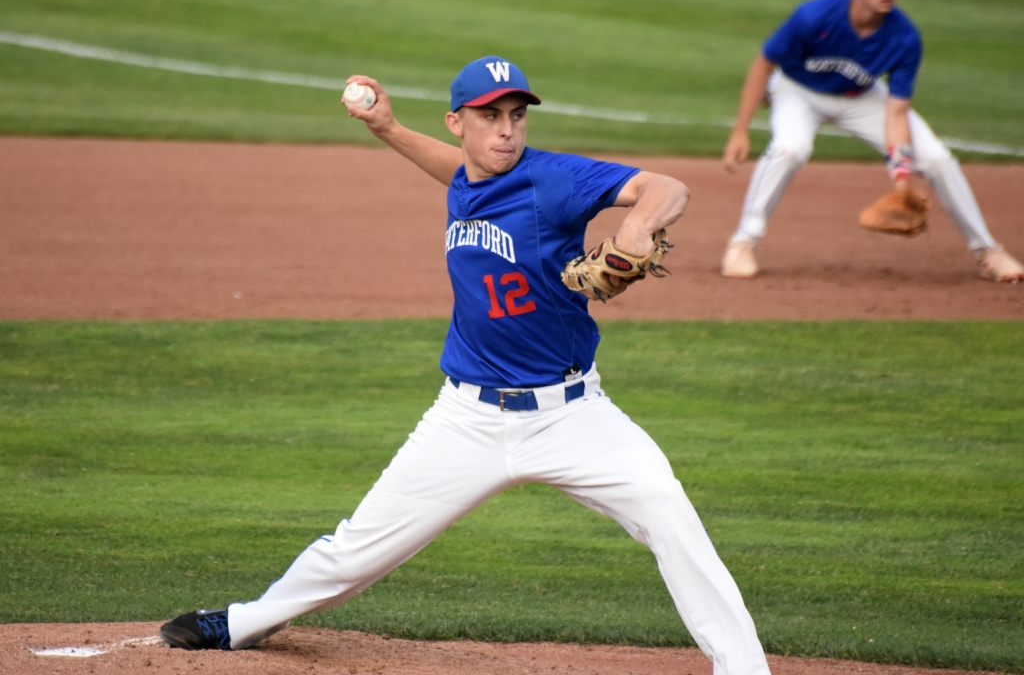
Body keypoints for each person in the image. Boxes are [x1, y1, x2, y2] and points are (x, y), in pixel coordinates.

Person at [159, 56, 773, 675]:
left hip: (573, 417)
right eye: (489, 117)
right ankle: (245, 623)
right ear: (458, 123)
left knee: (668, 511)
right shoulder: (467, 178)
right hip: (466, 419)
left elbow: (670, 189)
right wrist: (388, 130)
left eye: (515, 116)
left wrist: (638, 223)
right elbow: (454, 171)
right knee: (359, 547)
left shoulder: (553, 180)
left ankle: (744, 669)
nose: (506, 130)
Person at [721, 0, 1024, 283]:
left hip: (860, 97)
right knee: (791, 148)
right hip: (798, 90)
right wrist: (741, 129)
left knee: (937, 159)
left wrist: (901, 182)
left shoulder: (904, 38)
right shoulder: (814, 17)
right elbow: (764, 62)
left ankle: (988, 251)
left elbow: (896, 114)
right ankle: (744, 242)